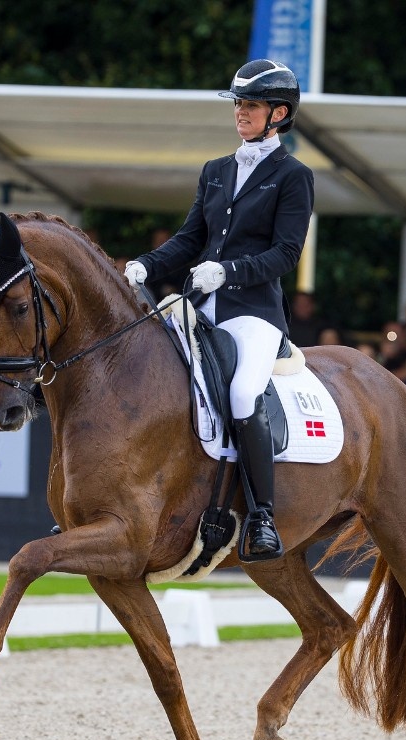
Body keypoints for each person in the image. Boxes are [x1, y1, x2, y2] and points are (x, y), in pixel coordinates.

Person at [123, 59, 313, 562]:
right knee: (145, 373)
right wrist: (147, 262)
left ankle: (262, 515)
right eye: (238, 104)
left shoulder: (293, 177)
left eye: (249, 105)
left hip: (252, 313)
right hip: (198, 306)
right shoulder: (216, 171)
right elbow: (191, 239)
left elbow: (286, 253)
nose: (240, 113)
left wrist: (229, 272)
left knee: (244, 393)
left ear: (278, 113)